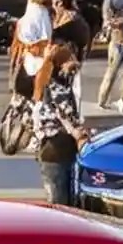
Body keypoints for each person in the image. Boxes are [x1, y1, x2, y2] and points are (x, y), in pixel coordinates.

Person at [32, 44, 86, 205]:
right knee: (60, 204)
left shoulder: (50, 83)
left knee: (59, 201)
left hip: (51, 149)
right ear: (62, 64)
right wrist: (81, 135)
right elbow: (67, 115)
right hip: (58, 151)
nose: (75, 63)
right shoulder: (58, 87)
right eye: (71, 60)